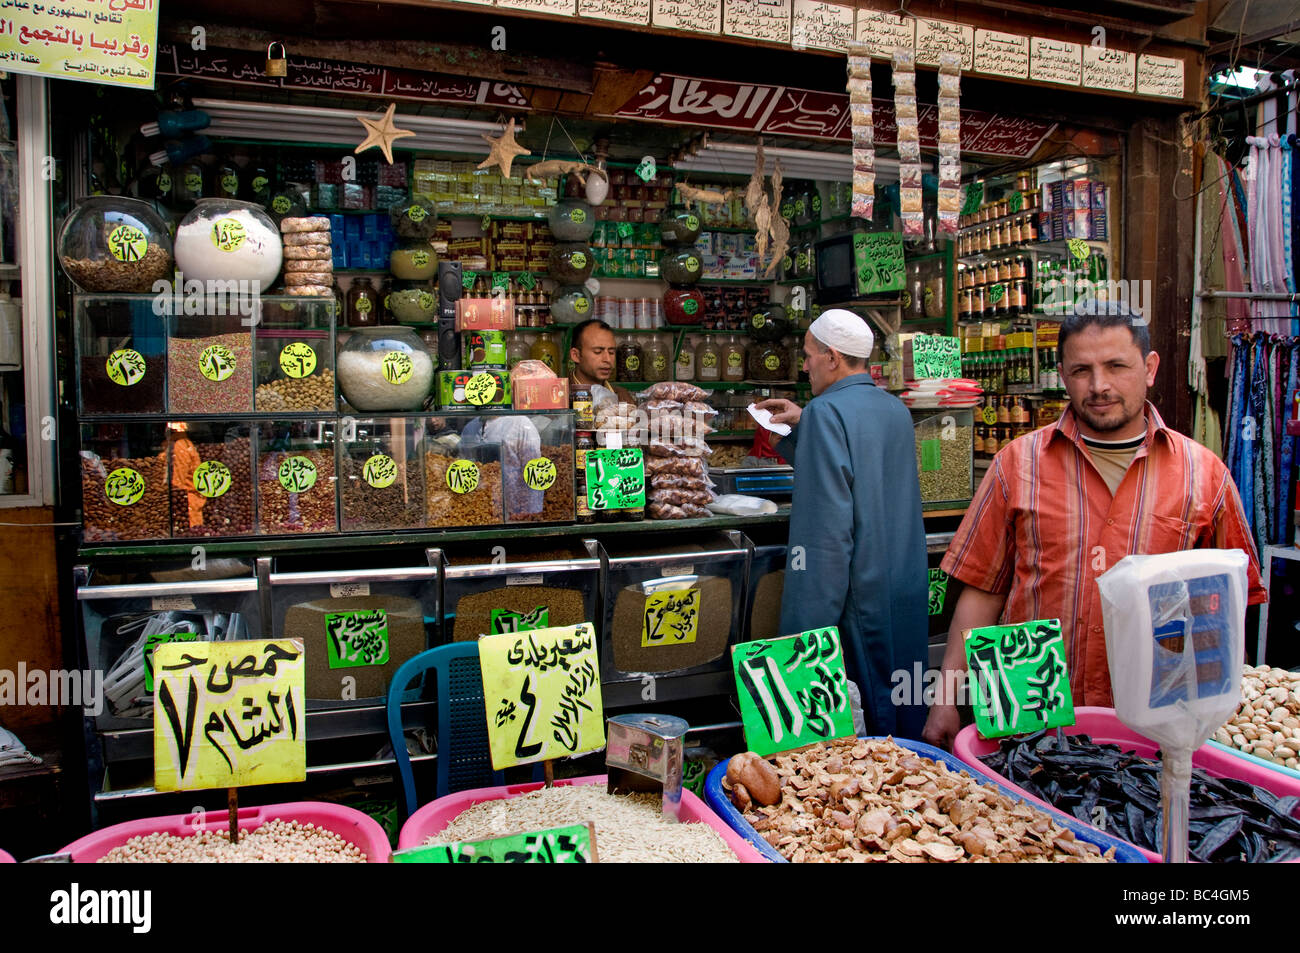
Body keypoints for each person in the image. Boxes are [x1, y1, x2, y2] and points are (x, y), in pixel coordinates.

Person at [923, 301, 1268, 750]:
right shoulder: (1018, 463)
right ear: (1063, 375)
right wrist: (946, 698)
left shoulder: (1203, 474)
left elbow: (1228, 609)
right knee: (1012, 816)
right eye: (1082, 370)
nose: (1099, 385)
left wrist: (1225, 713)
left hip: (1154, 711)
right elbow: (983, 587)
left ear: (1149, 368)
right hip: (1025, 700)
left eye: (1116, 366)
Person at [754, 309, 930, 737]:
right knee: (903, 699)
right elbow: (864, 471)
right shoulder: (894, 410)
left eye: (810, 355)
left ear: (832, 357)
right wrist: (803, 428)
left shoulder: (825, 412)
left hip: (858, 590)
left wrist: (802, 638)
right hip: (902, 582)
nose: (805, 364)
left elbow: (825, 534)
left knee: (866, 722)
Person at [567, 319, 635, 406]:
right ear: (575, 355)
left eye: (611, 352)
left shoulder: (622, 398)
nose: (608, 359)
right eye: (597, 351)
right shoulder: (560, 396)